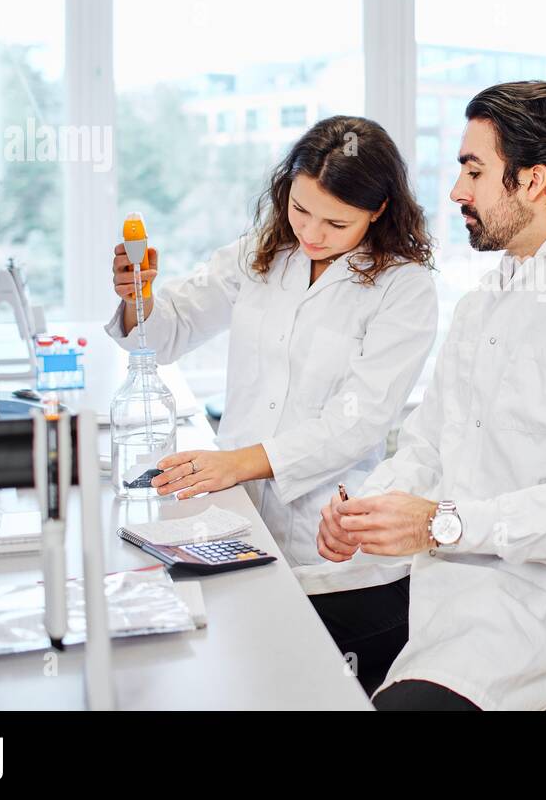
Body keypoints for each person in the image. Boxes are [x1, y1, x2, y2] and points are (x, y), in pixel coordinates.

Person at [311, 81, 546, 709]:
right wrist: (365, 509)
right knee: (298, 646)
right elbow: (428, 445)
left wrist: (440, 523)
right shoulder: (483, 301)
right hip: (448, 591)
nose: (457, 191)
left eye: (474, 170)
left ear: (534, 182)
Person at [105, 116, 437, 567]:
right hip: (234, 516)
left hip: (328, 539)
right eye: (300, 210)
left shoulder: (404, 286)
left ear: (378, 209)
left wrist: (240, 462)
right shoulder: (261, 252)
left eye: (336, 223)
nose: (312, 235)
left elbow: (360, 421)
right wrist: (137, 297)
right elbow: (169, 334)